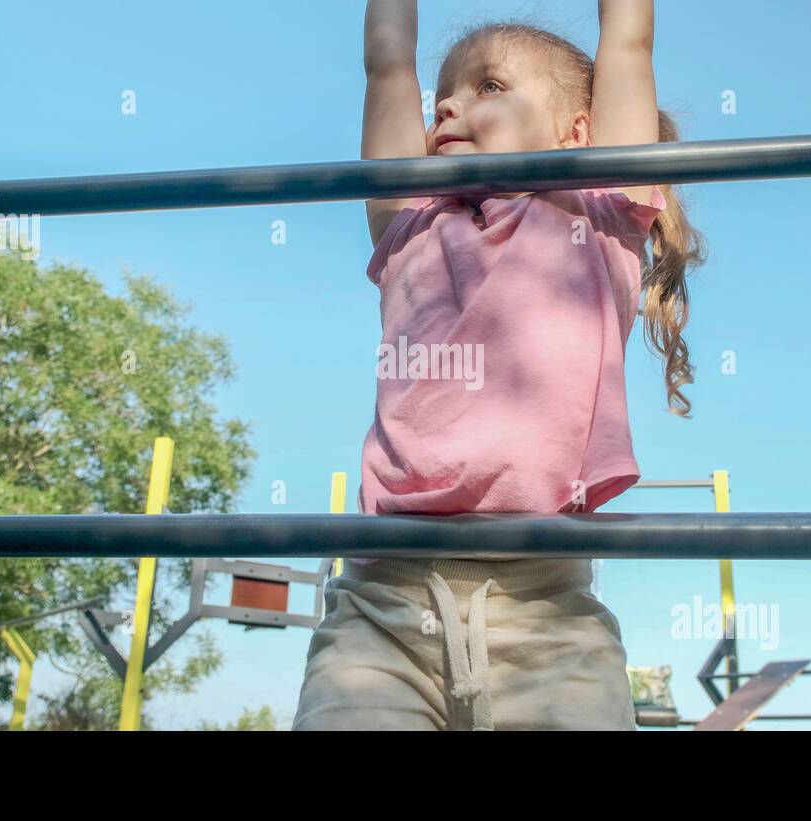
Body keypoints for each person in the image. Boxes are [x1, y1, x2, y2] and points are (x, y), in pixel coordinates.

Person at [292, 0, 704, 730]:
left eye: (488, 86)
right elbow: (387, 61)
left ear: (578, 133)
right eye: (443, 92)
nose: (448, 102)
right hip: (381, 605)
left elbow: (629, 37)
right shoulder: (409, 222)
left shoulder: (601, 215)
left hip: (546, 610)